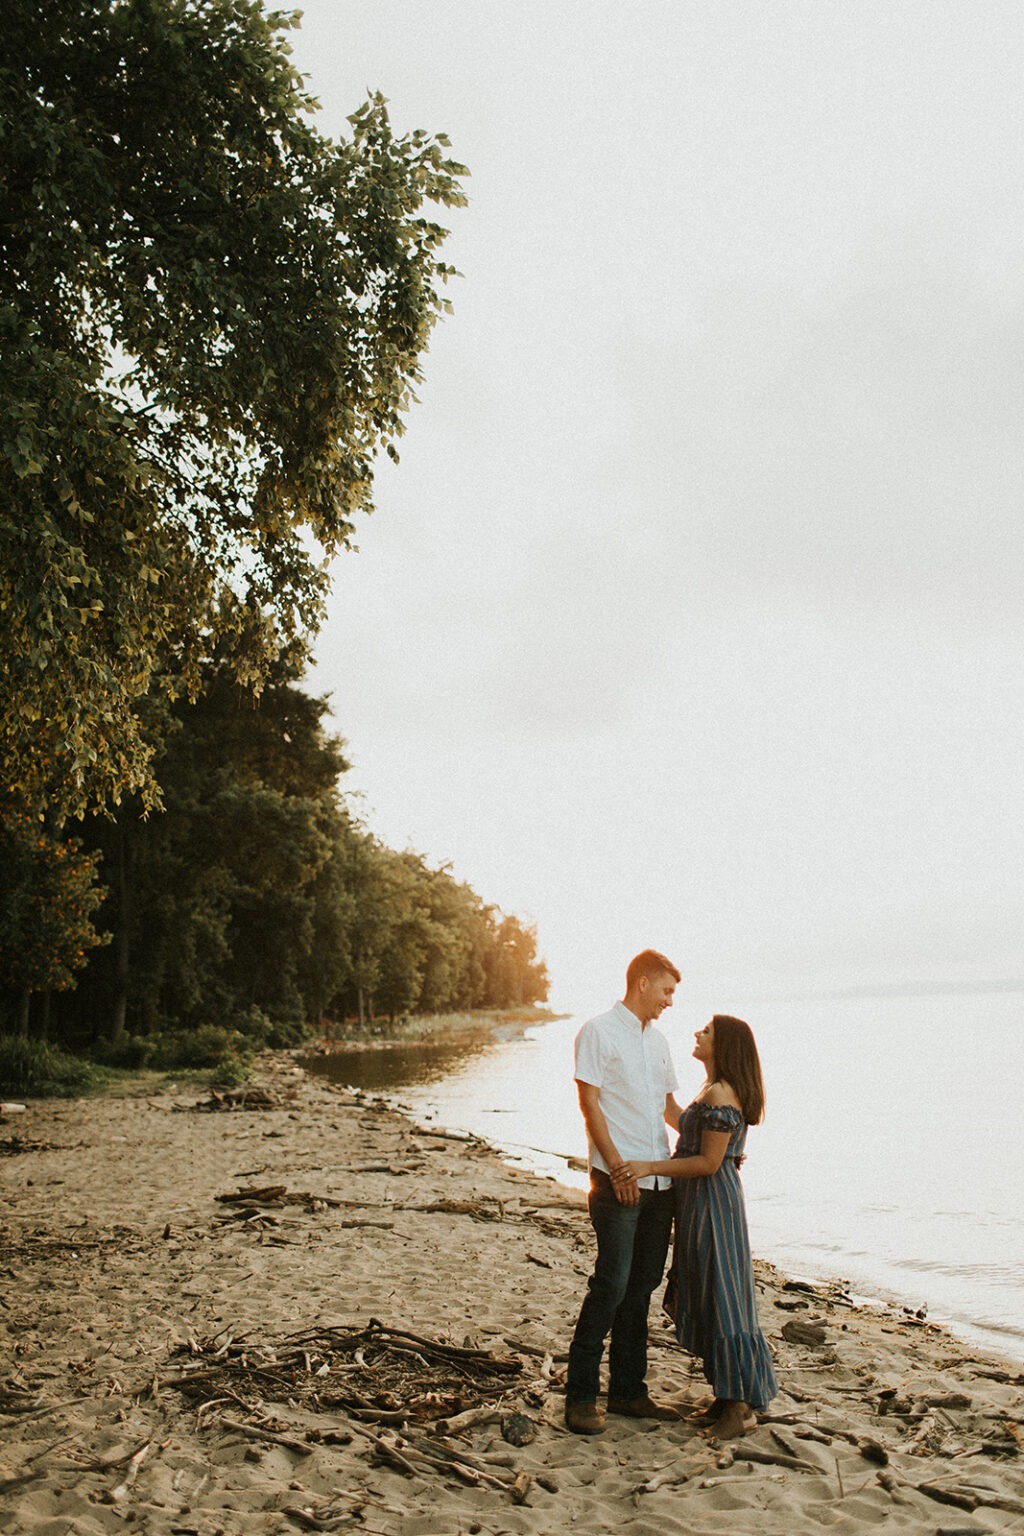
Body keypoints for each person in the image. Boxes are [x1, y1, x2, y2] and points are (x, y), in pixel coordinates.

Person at [611, 1013, 777, 1439]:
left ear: (724, 1046)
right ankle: (727, 1395)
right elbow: (677, 1117)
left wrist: (649, 1165)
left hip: (713, 1200)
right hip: (698, 1200)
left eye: (707, 1031)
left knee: (722, 1292)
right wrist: (652, 1076)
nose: (698, 1033)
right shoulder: (711, 1088)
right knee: (707, 1288)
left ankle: (739, 1408)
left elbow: (707, 1162)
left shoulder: (722, 1092)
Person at [564, 949, 685, 1435]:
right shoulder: (598, 1031)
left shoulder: (658, 1041)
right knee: (611, 1284)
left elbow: (669, 1108)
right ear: (642, 983)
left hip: (660, 1181)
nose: (669, 1001)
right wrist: (616, 1169)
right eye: (666, 991)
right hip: (617, 1180)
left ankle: (628, 1392)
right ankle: (580, 1396)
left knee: (641, 1287)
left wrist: (716, 1139)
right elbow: (589, 1103)